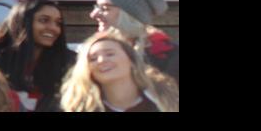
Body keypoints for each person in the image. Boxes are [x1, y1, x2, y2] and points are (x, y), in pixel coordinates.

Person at [45, 29, 176, 112]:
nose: (101, 60)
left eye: (110, 54)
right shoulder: (77, 107)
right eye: (93, 58)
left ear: (131, 60)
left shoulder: (164, 100)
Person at [0, 0, 70, 109]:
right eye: (44, 20)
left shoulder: (69, 62)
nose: (53, 28)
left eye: (58, 23)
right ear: (22, 22)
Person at [90, 0, 178, 83]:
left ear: (129, 16)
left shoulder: (173, 56)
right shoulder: (94, 51)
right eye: (96, 7)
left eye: (105, 9)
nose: (93, 15)